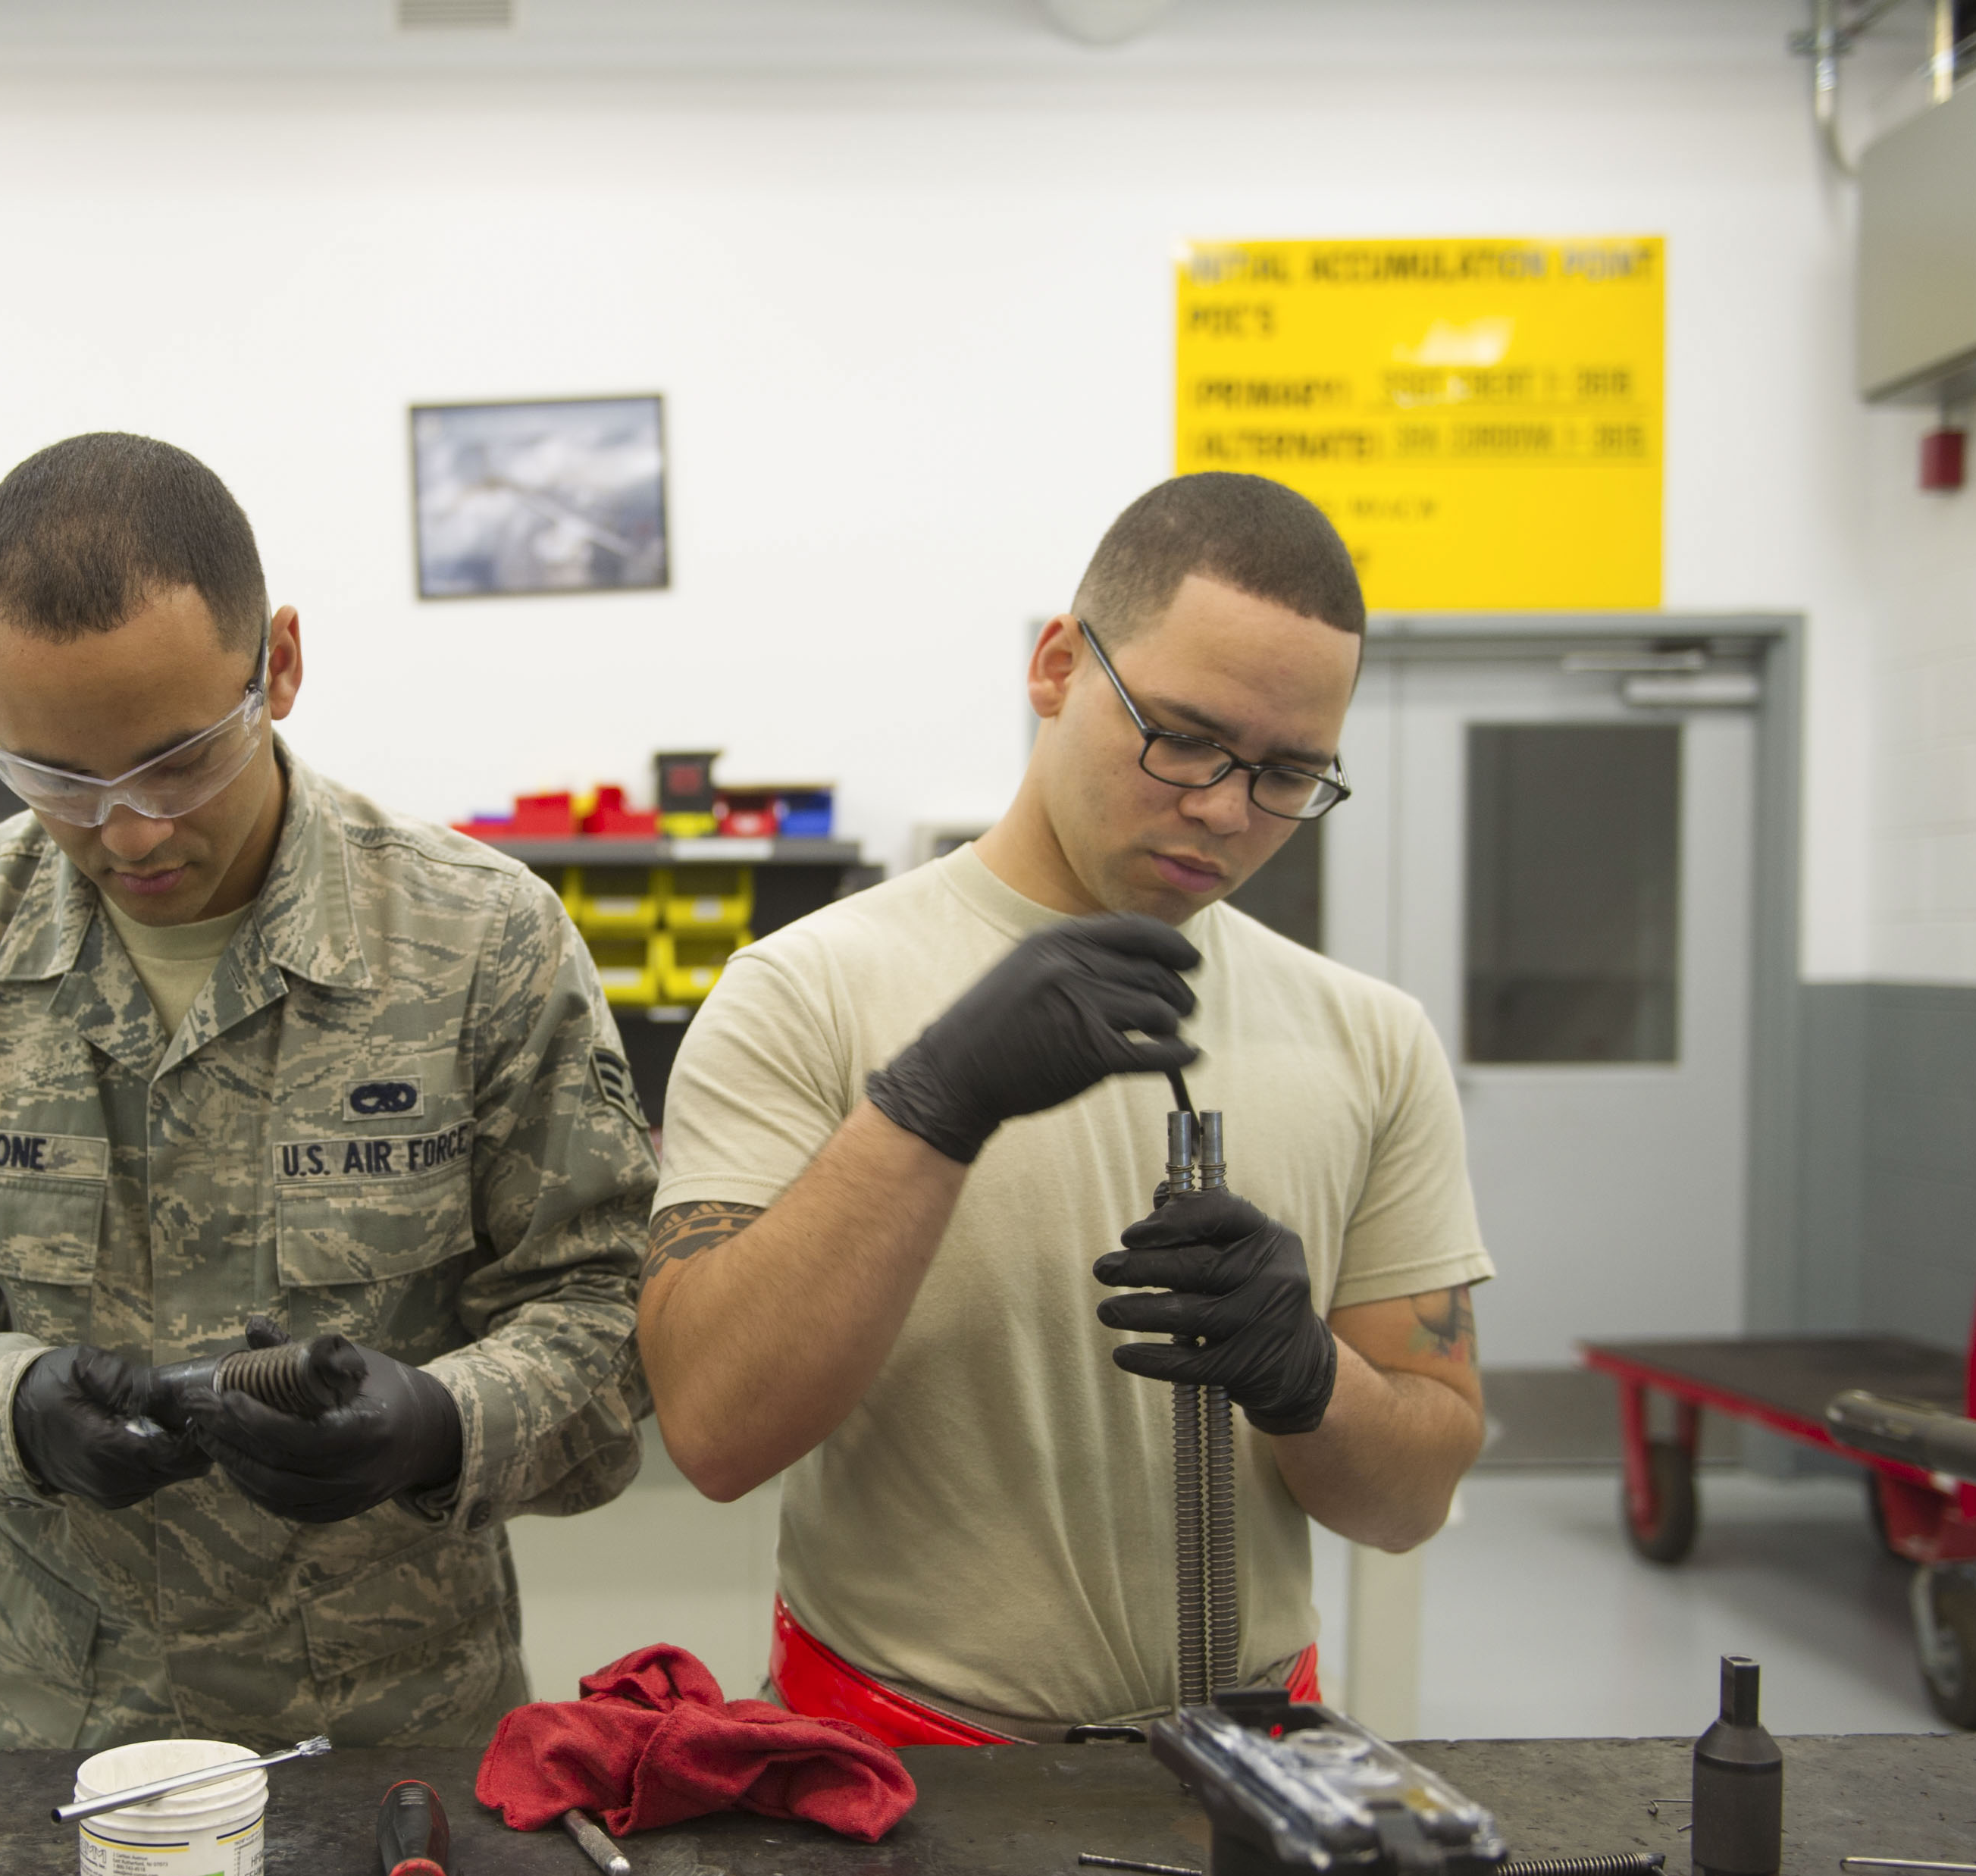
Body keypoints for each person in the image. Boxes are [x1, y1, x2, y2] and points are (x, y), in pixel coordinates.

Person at [0, 432, 655, 1749]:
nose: (130, 831)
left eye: (179, 761)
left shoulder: (479, 940)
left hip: (395, 1732)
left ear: (279, 665)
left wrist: (437, 1426)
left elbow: (608, 1307)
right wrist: (3, 1403)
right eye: (55, 775)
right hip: (47, 1728)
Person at [634, 471, 1491, 1742]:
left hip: (1256, 1774)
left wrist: (1314, 1378)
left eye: (1288, 774)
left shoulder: (1370, 1037)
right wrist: (928, 1109)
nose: (1223, 808)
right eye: (1184, 737)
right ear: (1055, 665)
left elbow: (1410, 1499)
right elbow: (711, 1432)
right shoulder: (805, 992)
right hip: (905, 1776)